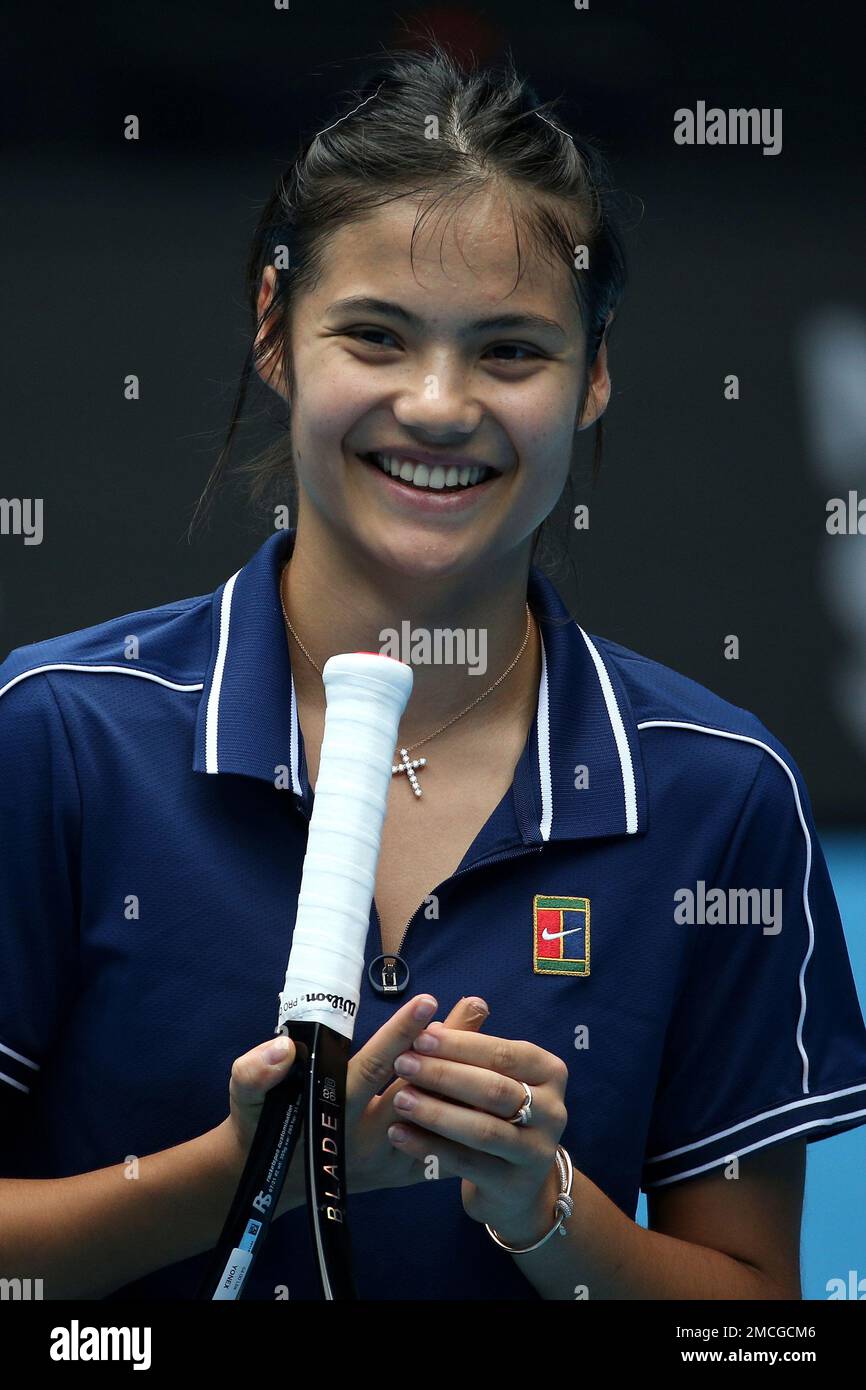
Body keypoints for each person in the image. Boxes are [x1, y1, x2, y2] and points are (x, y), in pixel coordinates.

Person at [2, 43, 866, 1303]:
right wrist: (237, 1174)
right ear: (274, 333)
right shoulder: (57, 739)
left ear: (595, 375)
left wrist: (549, 1210)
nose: (440, 402)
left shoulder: (718, 795)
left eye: (511, 351)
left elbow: (751, 1318)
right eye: (375, 334)